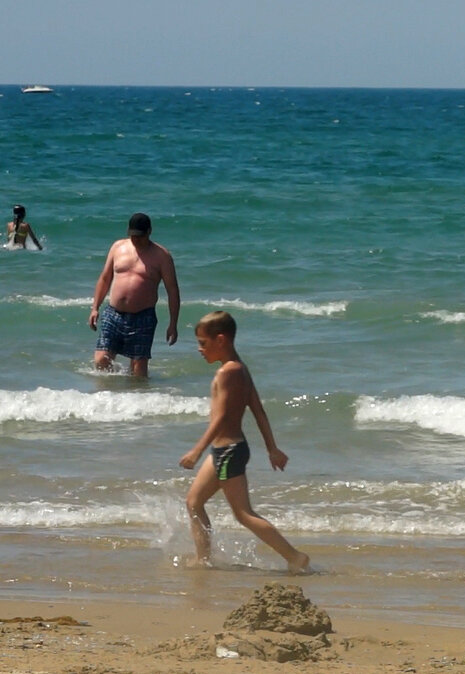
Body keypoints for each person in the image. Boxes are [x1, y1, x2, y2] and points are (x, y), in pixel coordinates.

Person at [179, 311, 310, 573]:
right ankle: (203, 559)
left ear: (220, 340)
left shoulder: (230, 372)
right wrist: (272, 448)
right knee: (193, 501)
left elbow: (223, 416)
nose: (199, 349)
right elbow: (258, 410)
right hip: (225, 451)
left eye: (203, 343)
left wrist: (196, 450)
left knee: (243, 513)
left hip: (227, 451)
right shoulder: (240, 369)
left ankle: (295, 557)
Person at [88, 213, 181, 377]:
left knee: (138, 372)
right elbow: (105, 278)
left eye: (139, 236)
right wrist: (95, 308)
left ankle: (135, 398)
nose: (135, 240)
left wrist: (173, 323)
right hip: (113, 313)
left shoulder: (162, 256)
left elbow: (172, 290)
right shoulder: (118, 247)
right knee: (101, 361)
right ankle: (110, 395)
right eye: (132, 236)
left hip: (143, 316)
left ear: (149, 232)